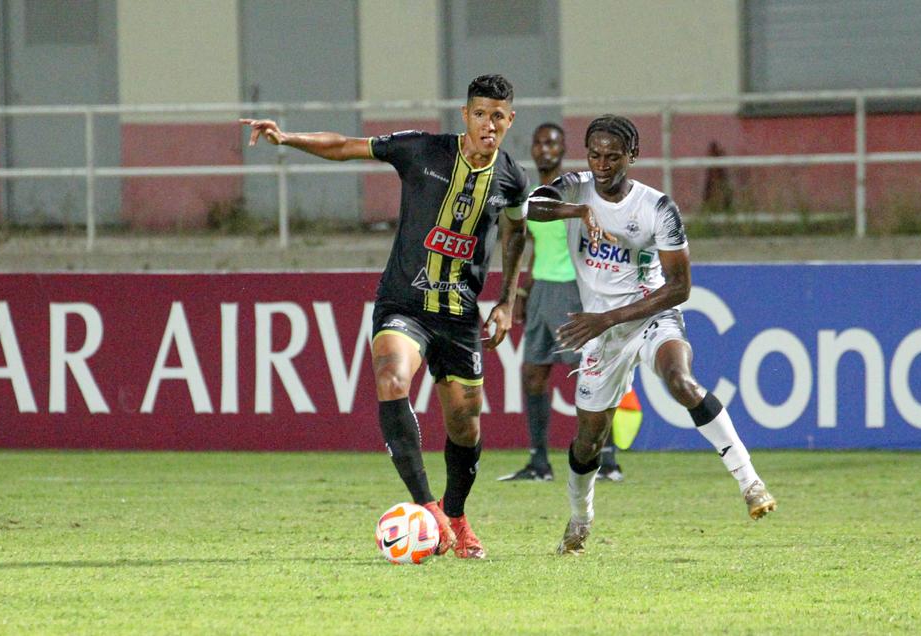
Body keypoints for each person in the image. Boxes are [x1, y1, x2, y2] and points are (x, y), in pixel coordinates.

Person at [241, 74, 529, 560]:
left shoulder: (512, 179)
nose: (488, 124)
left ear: (510, 120)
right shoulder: (423, 150)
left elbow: (517, 232)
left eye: (497, 116)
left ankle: (456, 514)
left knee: (466, 425)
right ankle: (429, 511)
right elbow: (345, 146)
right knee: (392, 379)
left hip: (459, 316)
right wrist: (286, 138)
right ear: (465, 115)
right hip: (404, 304)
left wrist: (507, 300)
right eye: (480, 114)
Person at [525, 114, 777, 555]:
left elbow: (679, 288)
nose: (603, 165)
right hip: (602, 335)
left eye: (613, 156)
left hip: (648, 316)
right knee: (589, 438)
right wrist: (578, 211)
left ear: (633, 155)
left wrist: (608, 317)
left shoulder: (657, 208)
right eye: (595, 155)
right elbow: (530, 206)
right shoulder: (577, 187)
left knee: (681, 381)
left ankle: (750, 482)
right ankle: (580, 518)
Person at [498, 123, 626, 482]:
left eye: (552, 143)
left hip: (574, 289)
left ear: (563, 148)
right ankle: (539, 463)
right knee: (533, 374)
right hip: (542, 290)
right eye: (539, 143)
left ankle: (607, 459)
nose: (544, 149)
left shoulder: (577, 192)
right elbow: (538, 247)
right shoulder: (531, 195)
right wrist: (523, 292)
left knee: (590, 372)